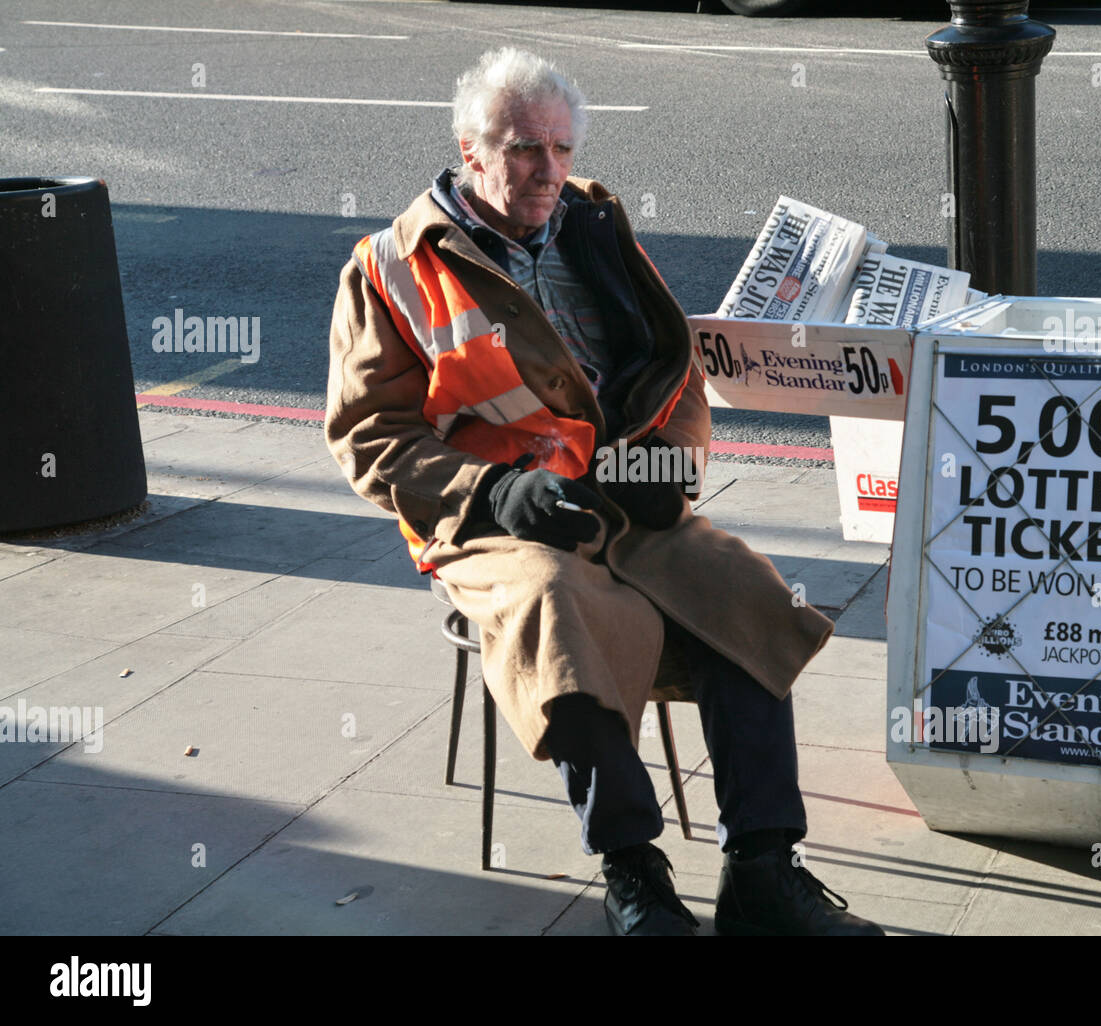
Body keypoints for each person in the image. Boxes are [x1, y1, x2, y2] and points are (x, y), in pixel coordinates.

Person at [325, 46, 883, 937]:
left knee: (748, 595)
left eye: (560, 149)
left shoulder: (594, 226)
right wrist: (495, 493)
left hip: (625, 500)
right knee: (557, 610)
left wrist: (668, 470)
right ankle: (636, 876)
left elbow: (676, 377)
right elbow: (367, 436)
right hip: (496, 524)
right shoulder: (392, 265)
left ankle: (764, 874)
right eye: (522, 150)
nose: (547, 170)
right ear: (471, 152)